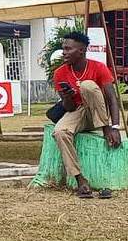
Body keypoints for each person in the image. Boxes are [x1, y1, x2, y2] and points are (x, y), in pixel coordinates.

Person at [51, 31, 122, 198]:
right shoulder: (60, 73)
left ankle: (103, 129)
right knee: (60, 132)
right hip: (77, 111)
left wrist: (114, 127)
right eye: (63, 49)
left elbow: (112, 98)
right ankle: (80, 179)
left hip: (99, 111)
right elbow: (68, 108)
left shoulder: (98, 67)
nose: (64, 52)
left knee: (88, 86)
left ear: (81, 51)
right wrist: (67, 96)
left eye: (68, 49)